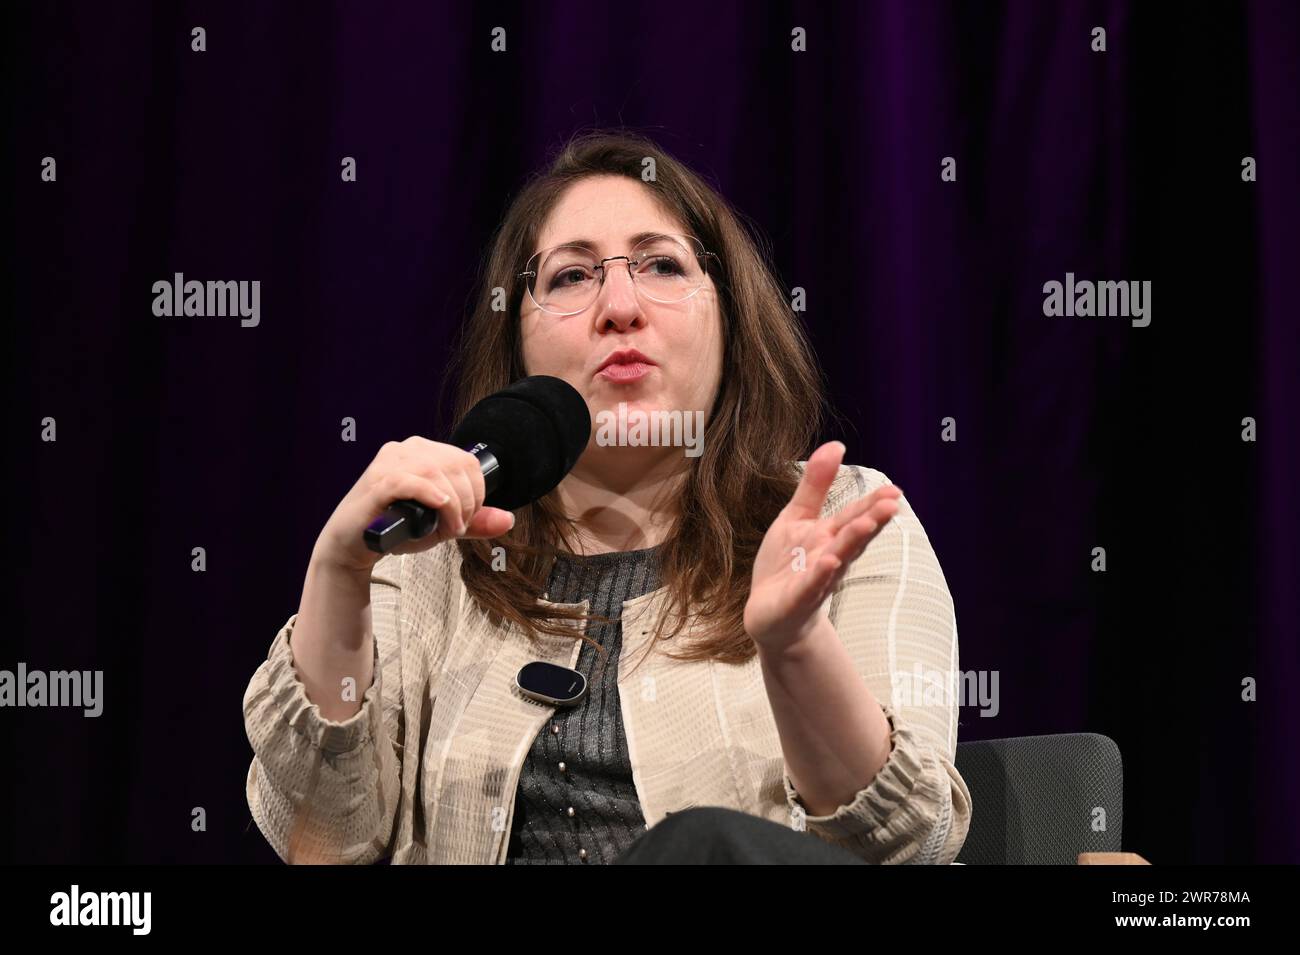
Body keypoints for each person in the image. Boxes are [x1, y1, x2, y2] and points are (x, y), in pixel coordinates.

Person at [242, 129, 972, 865]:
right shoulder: (435, 553)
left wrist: (795, 647)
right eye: (570, 277)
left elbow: (910, 843)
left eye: (661, 264)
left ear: (730, 316)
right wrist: (340, 570)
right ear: (516, 335)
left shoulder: (842, 519)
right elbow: (321, 838)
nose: (619, 306)